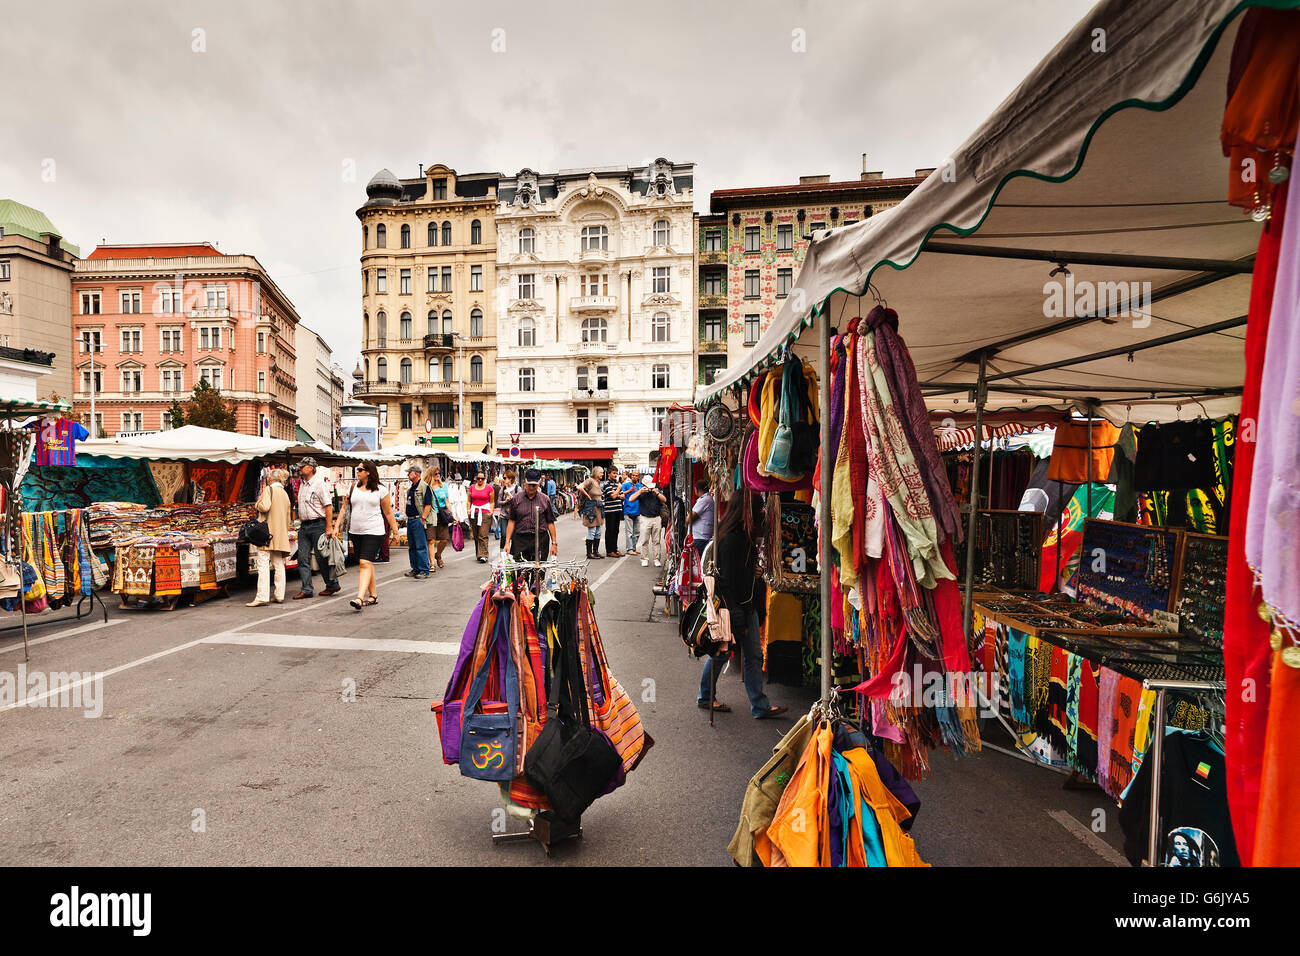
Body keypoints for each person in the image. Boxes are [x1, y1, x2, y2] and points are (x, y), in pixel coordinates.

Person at [697, 489, 787, 718]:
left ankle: (760, 705)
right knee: (722, 652)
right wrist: (737, 613)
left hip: (744, 606)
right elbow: (727, 580)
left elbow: (739, 572)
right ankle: (706, 696)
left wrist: (753, 571)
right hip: (735, 608)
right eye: (758, 509)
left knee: (752, 655)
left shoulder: (739, 535)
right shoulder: (731, 539)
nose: (761, 514)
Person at [337, 460, 399, 611]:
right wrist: (335, 527)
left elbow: (388, 513)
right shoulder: (352, 488)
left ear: (368, 472)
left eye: (360, 469)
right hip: (356, 531)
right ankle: (374, 595)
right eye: (357, 469)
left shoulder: (380, 490)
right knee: (367, 563)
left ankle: (359, 597)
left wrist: (395, 531)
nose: (357, 472)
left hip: (374, 531)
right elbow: (344, 508)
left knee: (365, 563)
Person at [292, 457, 340, 599]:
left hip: (318, 524)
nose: (300, 468)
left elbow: (328, 507)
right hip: (304, 526)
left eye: (303, 466)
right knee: (302, 559)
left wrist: (328, 527)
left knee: (322, 557)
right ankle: (306, 589)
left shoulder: (319, 484)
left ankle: (332, 584)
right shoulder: (302, 484)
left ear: (311, 468)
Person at [247, 469, 292, 607]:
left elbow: (265, 506)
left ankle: (262, 596)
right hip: (279, 534)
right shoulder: (284, 493)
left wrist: (257, 503)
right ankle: (279, 595)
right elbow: (287, 518)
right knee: (278, 564)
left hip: (266, 534)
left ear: (271, 480)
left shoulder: (268, 489)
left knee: (263, 564)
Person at [504, 468, 559, 561]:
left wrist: (554, 544)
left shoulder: (545, 499)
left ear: (539, 483)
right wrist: (507, 543)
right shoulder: (516, 499)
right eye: (529, 484)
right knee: (522, 572)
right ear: (524, 482)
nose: (531, 487)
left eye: (534, 485)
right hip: (521, 539)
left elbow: (550, 522)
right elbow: (512, 521)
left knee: (539, 571)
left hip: (541, 539)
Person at [402, 465, 433, 579]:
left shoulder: (424, 486)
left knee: (420, 546)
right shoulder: (412, 488)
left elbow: (428, 504)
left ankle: (424, 569)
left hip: (417, 519)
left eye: (410, 472)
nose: (408, 474)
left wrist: (423, 518)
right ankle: (415, 568)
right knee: (412, 546)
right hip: (410, 520)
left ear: (417, 474)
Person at [633, 477, 667, 567]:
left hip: (656, 518)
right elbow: (631, 499)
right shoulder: (641, 492)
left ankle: (656, 559)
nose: (649, 488)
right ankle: (644, 559)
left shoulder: (656, 491)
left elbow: (664, 500)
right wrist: (640, 492)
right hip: (645, 518)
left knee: (656, 540)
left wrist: (657, 493)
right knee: (644, 540)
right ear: (643, 485)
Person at [467, 471, 494, 563]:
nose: (480, 480)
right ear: (476, 478)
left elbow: (492, 501)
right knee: (476, 534)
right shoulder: (471, 487)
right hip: (474, 512)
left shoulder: (489, 488)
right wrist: (468, 510)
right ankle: (479, 554)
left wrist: (491, 511)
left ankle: (484, 555)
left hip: (485, 512)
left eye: (482, 479)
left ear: (485, 479)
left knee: (483, 534)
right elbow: (469, 500)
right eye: (478, 478)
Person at [427, 467, 451, 568]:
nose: (438, 475)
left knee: (445, 539)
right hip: (431, 515)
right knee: (431, 540)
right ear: (431, 475)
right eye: (435, 474)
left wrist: (452, 515)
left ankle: (438, 555)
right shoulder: (427, 487)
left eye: (439, 473)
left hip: (442, 515)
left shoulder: (443, 486)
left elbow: (447, 501)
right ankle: (432, 563)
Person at [578, 467, 605, 559]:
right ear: (596, 473)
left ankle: (595, 551)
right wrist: (587, 495)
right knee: (592, 531)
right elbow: (580, 487)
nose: (602, 474)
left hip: (598, 508)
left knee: (598, 532)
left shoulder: (598, 482)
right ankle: (589, 553)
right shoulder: (590, 480)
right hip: (591, 508)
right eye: (601, 472)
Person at [601, 467, 625, 558]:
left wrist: (618, 493)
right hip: (610, 511)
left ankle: (615, 549)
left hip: (617, 509)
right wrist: (618, 490)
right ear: (609, 474)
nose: (615, 475)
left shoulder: (616, 483)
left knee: (616, 531)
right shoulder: (607, 484)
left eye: (616, 473)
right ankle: (609, 551)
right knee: (610, 531)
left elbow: (622, 496)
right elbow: (613, 496)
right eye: (614, 473)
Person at [494, 469, 518, 552]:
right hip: (504, 515)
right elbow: (498, 502)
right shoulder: (502, 489)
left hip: (514, 516)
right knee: (504, 534)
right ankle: (502, 552)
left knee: (514, 535)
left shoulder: (517, 489)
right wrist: (505, 501)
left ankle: (513, 553)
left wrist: (510, 496)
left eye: (505, 478)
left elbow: (520, 501)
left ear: (510, 478)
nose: (503, 480)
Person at [690, 478, 715, 559]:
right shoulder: (707, 499)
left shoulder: (704, 500)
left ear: (697, 489)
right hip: (702, 538)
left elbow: (688, 519)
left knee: (698, 564)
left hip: (700, 538)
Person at [621, 470, 641, 555]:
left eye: (636, 475)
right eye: (633, 475)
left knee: (637, 532)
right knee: (629, 532)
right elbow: (621, 495)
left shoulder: (640, 486)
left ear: (638, 477)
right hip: (628, 510)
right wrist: (629, 491)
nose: (634, 477)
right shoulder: (626, 485)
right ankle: (629, 549)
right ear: (631, 476)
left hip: (638, 511)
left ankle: (634, 548)